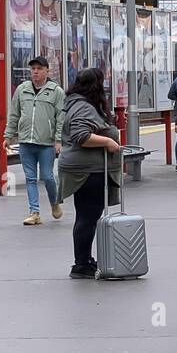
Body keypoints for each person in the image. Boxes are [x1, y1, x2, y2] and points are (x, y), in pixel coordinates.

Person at [57, 68, 122, 279]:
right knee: (87, 217)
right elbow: (81, 135)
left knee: (86, 216)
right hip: (87, 171)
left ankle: (83, 260)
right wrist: (108, 141)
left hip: (85, 169)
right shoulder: (84, 107)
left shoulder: (77, 103)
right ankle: (81, 263)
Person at [5, 53, 65, 226]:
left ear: (47, 70)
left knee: (47, 176)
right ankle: (34, 212)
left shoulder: (56, 92)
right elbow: (14, 114)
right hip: (26, 142)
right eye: (33, 69)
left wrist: (58, 140)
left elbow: (60, 118)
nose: (35, 72)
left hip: (46, 143)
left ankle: (54, 203)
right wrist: (8, 136)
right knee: (30, 178)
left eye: (39, 69)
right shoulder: (22, 90)